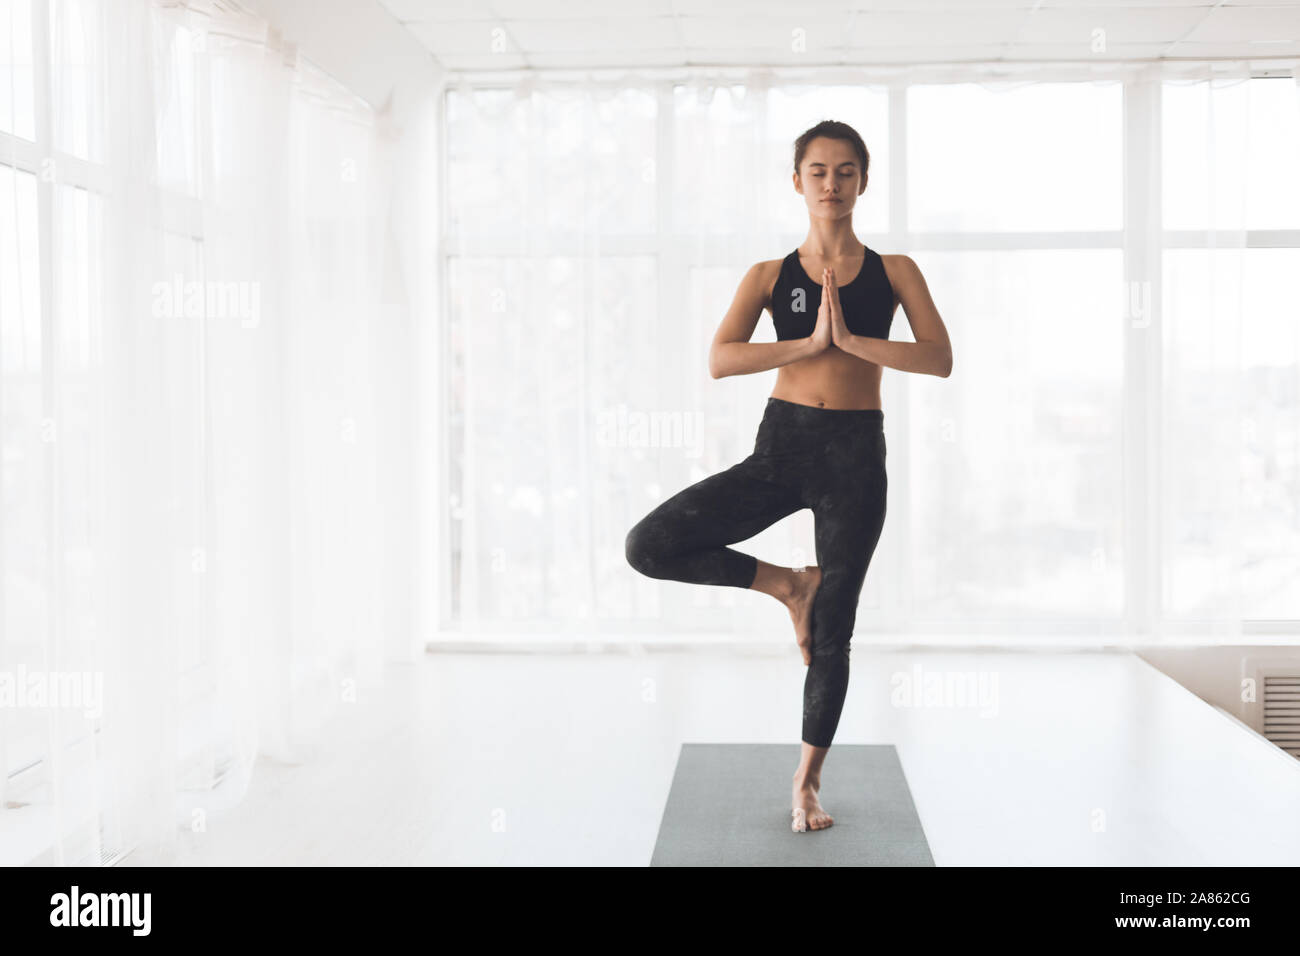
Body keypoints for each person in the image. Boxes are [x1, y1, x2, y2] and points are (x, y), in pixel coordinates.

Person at [625, 120, 953, 833]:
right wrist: (805, 344)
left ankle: (806, 784)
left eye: (844, 171)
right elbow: (720, 358)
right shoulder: (769, 276)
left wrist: (853, 341)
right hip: (783, 448)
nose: (830, 184)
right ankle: (785, 583)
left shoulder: (895, 270)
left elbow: (937, 357)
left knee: (833, 632)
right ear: (797, 181)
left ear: (862, 181)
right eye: (817, 171)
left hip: (856, 458)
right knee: (648, 546)